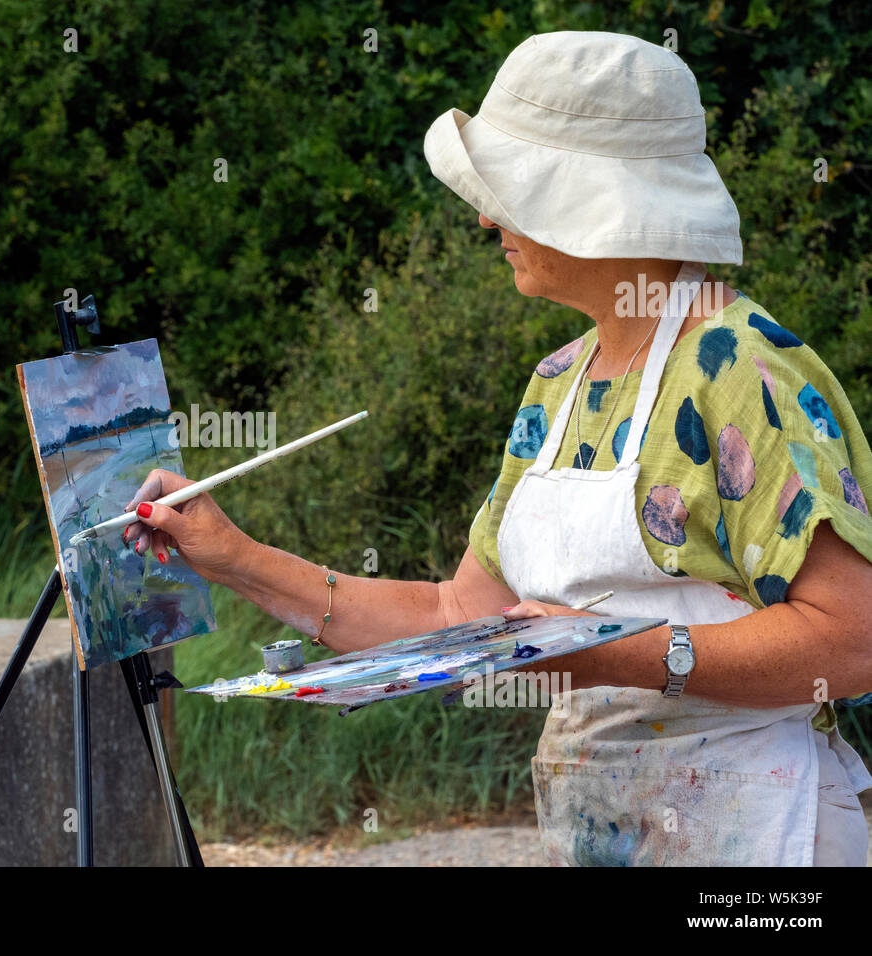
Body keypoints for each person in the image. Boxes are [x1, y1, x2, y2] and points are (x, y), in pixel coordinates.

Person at [123, 31, 872, 866]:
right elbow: (458, 618)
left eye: (513, 190)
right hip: (613, 833)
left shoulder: (742, 373)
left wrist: (611, 653)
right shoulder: (559, 384)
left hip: (759, 839)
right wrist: (233, 556)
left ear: (599, 200)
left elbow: (851, 640)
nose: (485, 216)